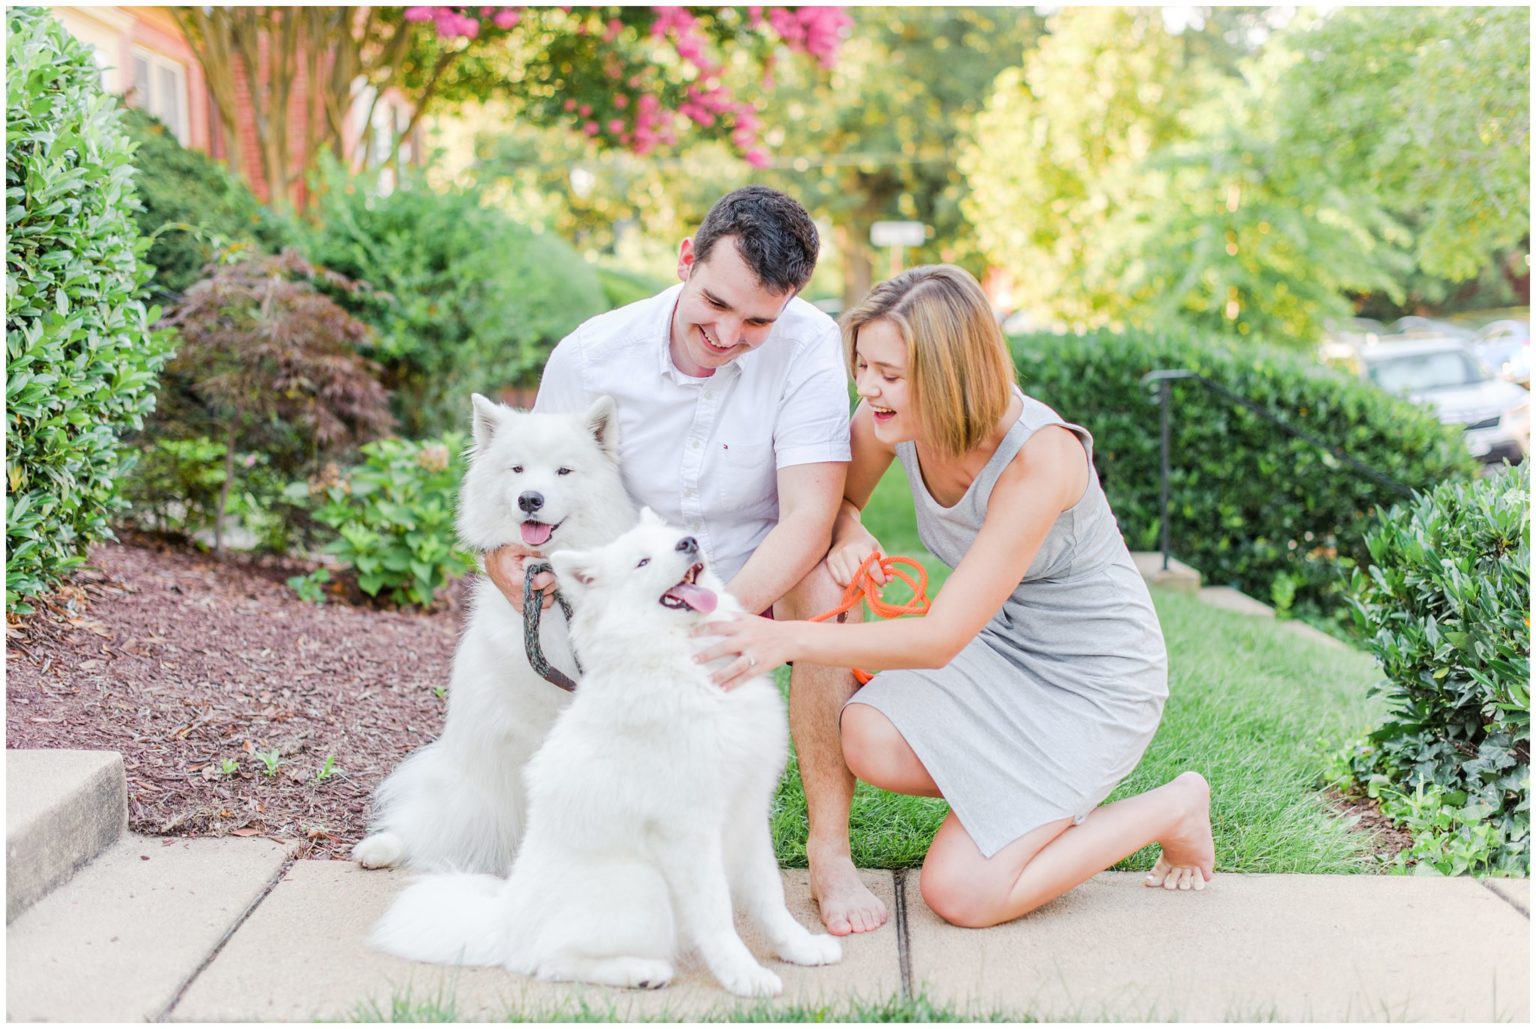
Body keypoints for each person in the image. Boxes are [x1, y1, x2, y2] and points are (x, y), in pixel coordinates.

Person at [694, 265, 1215, 928]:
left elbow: (938, 639)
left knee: (963, 894)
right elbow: (840, 500)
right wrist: (849, 529)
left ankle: (1171, 806)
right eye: (863, 365)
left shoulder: (1040, 459)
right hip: (1001, 651)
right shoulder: (893, 418)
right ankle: (1019, 800)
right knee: (867, 734)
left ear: (948, 374)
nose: (869, 388)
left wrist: (781, 639)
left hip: (1095, 683)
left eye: (888, 372)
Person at [485, 186, 891, 936]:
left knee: (827, 581)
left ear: (792, 302)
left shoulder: (807, 344)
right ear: (684, 260)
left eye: (757, 320)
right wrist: (517, 568)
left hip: (760, 572)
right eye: (715, 304)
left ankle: (830, 850)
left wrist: (722, 621)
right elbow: (531, 492)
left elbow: (809, 516)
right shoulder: (590, 355)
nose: (729, 333)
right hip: (632, 585)